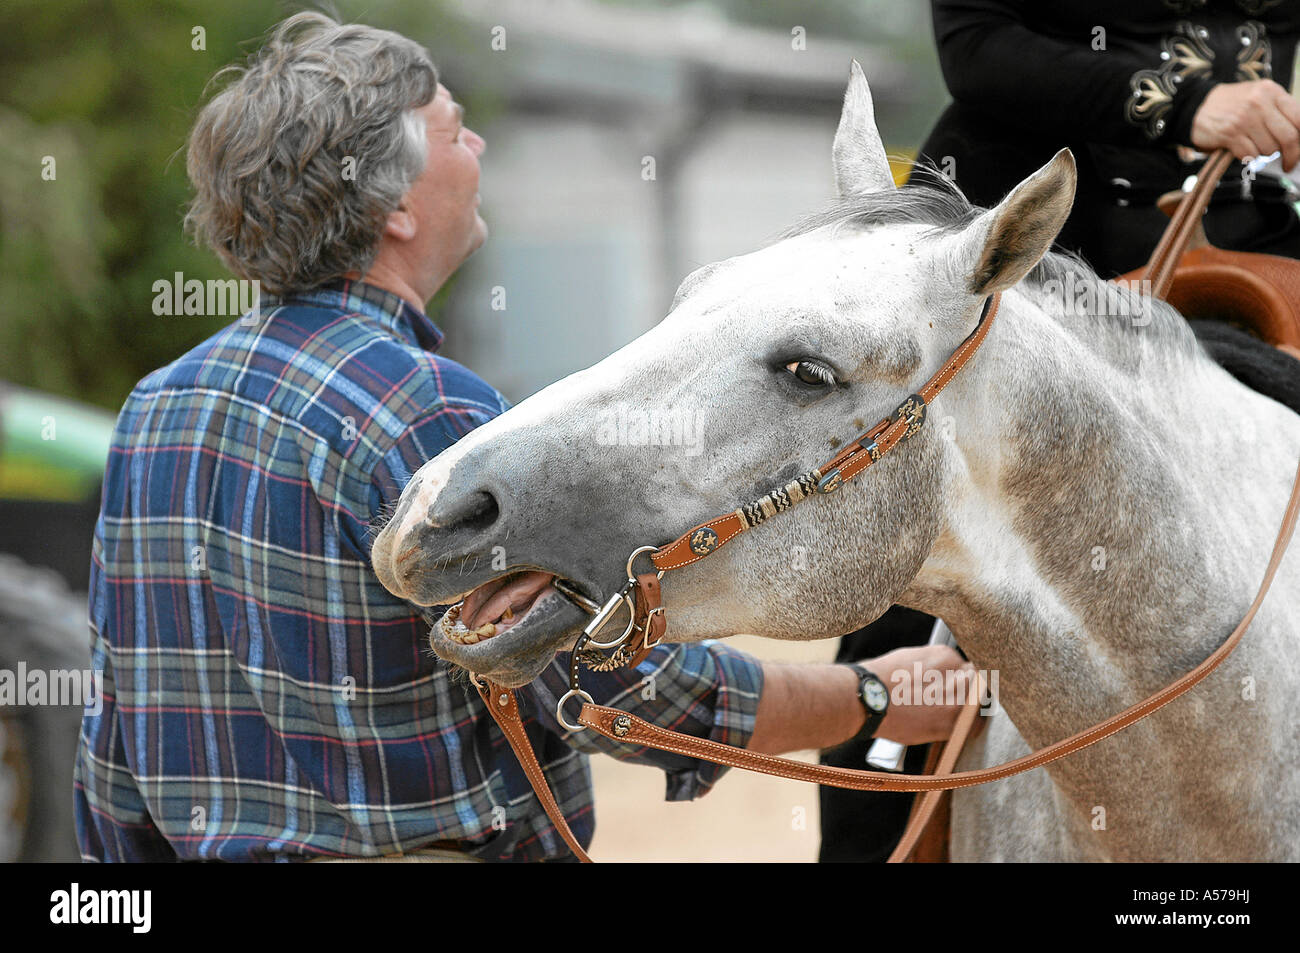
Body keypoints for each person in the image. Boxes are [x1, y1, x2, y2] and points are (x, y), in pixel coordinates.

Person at [73, 12, 969, 862]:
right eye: (456, 129)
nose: (480, 146)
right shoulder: (425, 414)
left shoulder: (154, 409)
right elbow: (621, 691)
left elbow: (113, 743)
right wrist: (877, 694)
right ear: (393, 208)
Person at [822, 0, 1300, 863]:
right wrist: (1180, 103)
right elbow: (977, 48)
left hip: (1251, 220)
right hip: (1029, 233)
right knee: (906, 575)